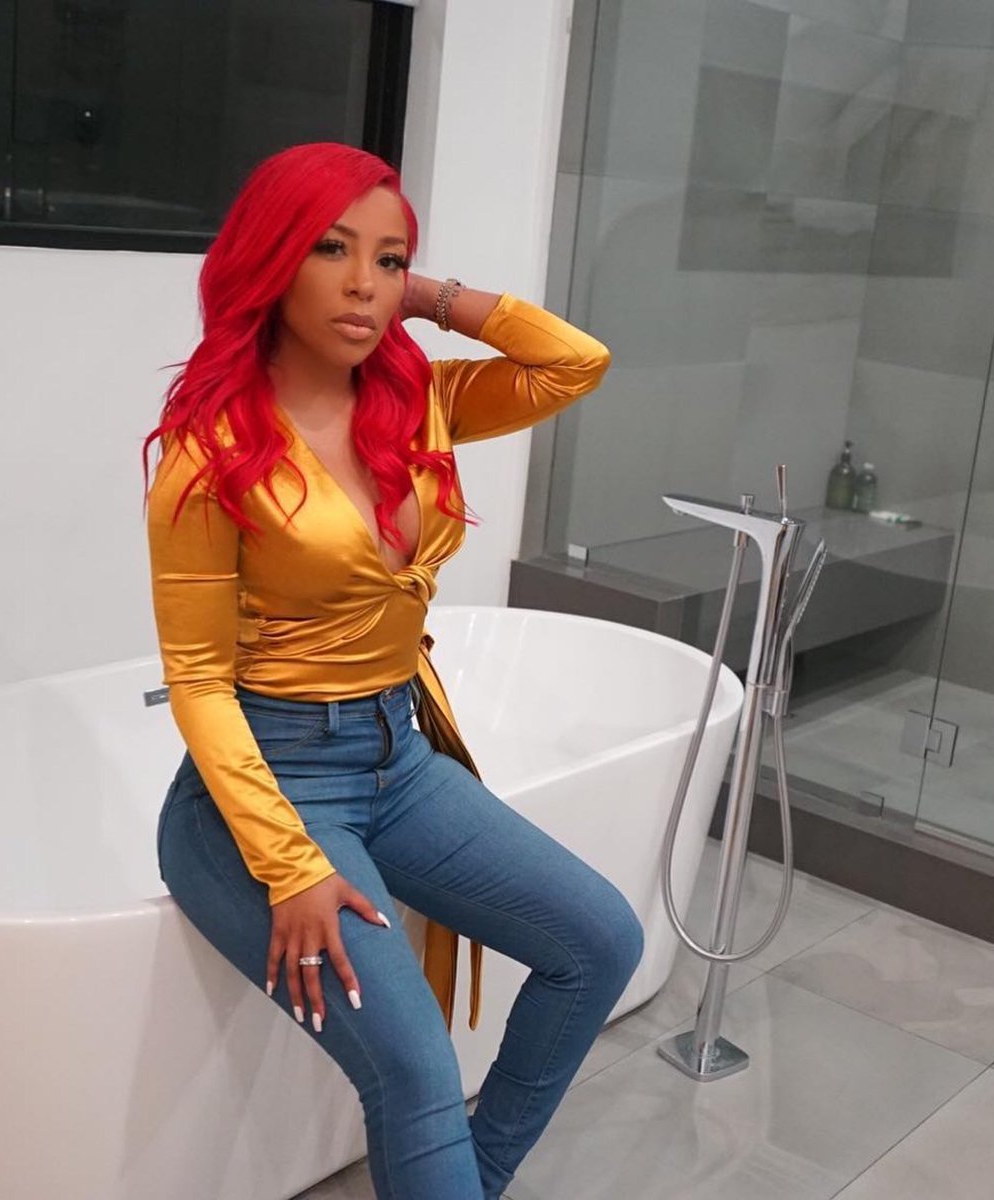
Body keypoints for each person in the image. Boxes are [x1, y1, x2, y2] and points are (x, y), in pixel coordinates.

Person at [146, 142, 644, 1200]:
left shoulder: (417, 400)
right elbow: (197, 680)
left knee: (599, 941)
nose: (364, 284)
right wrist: (290, 865)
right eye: (331, 251)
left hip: (397, 757)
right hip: (265, 787)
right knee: (417, 1069)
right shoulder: (210, 452)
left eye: (388, 259)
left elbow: (576, 362)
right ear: (271, 259)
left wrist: (432, 298)